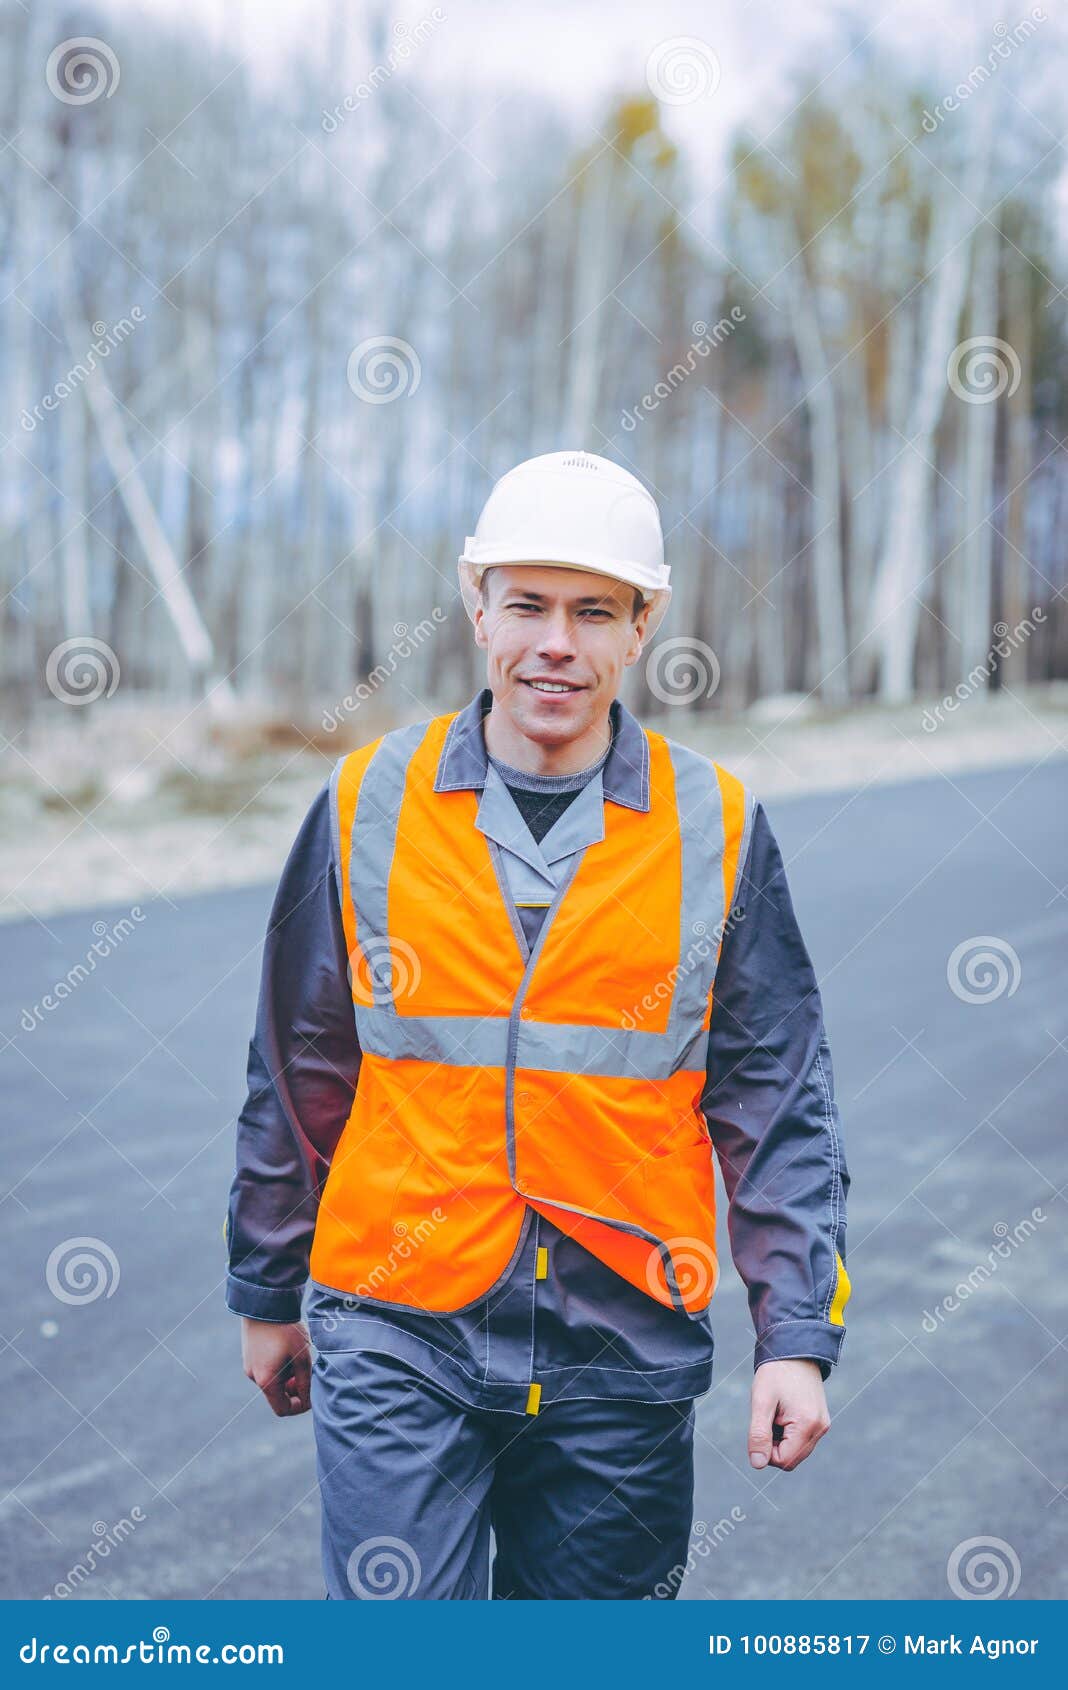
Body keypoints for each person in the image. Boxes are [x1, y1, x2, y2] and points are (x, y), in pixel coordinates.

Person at [224, 449, 851, 1601]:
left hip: (623, 1337)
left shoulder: (714, 826)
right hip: (397, 1319)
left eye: (593, 610)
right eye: (528, 604)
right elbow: (298, 1059)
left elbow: (775, 1099)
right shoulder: (369, 800)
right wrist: (271, 1290)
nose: (556, 641)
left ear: (641, 623)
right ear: (477, 606)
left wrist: (796, 1336)